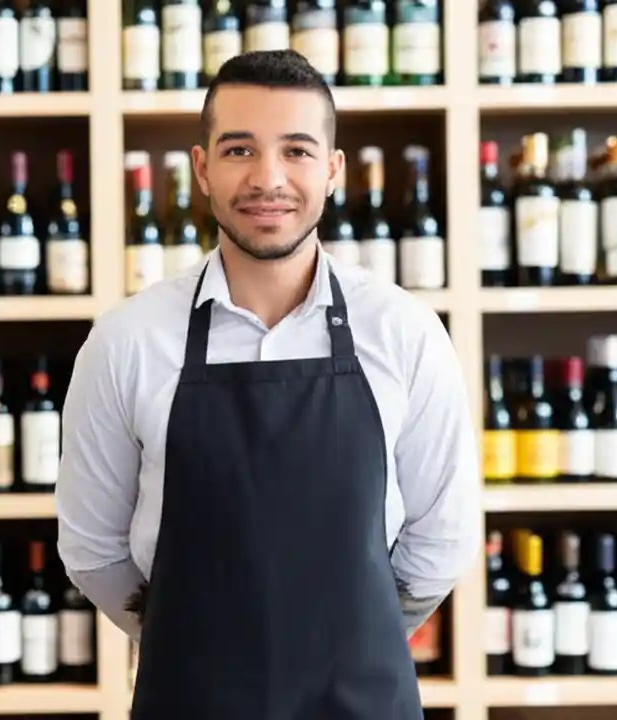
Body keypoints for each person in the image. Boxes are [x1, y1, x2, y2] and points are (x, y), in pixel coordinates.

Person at [55, 50, 480, 719]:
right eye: (239, 150)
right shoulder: (126, 341)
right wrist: (192, 640)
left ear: (334, 171)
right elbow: (92, 548)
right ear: (202, 169)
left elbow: (440, 543)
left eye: (297, 151)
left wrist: (349, 637)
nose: (268, 178)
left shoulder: (405, 332)